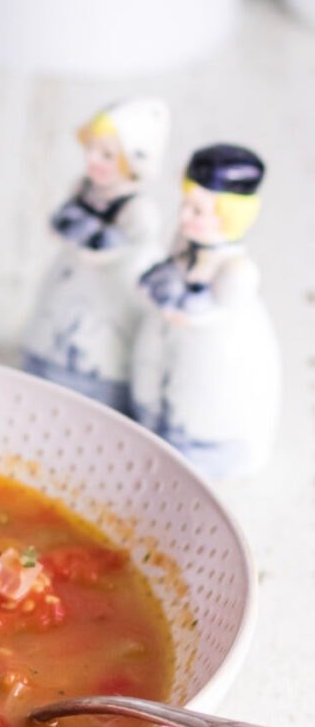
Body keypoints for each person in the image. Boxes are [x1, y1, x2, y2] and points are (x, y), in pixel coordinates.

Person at [130, 144, 279, 479]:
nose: (184, 218)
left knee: (198, 399)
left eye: (197, 211)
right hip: (169, 346)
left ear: (230, 216)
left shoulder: (237, 272)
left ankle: (196, 457)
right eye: (186, 206)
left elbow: (210, 315)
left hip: (210, 357)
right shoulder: (181, 248)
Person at [21, 98, 170, 409]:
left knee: (102, 343)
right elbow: (59, 225)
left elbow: (129, 251)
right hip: (71, 278)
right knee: (57, 327)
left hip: (113, 291)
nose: (93, 159)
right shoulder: (83, 187)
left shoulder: (138, 211)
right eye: (91, 149)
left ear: (134, 160)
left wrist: (98, 244)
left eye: (106, 154)